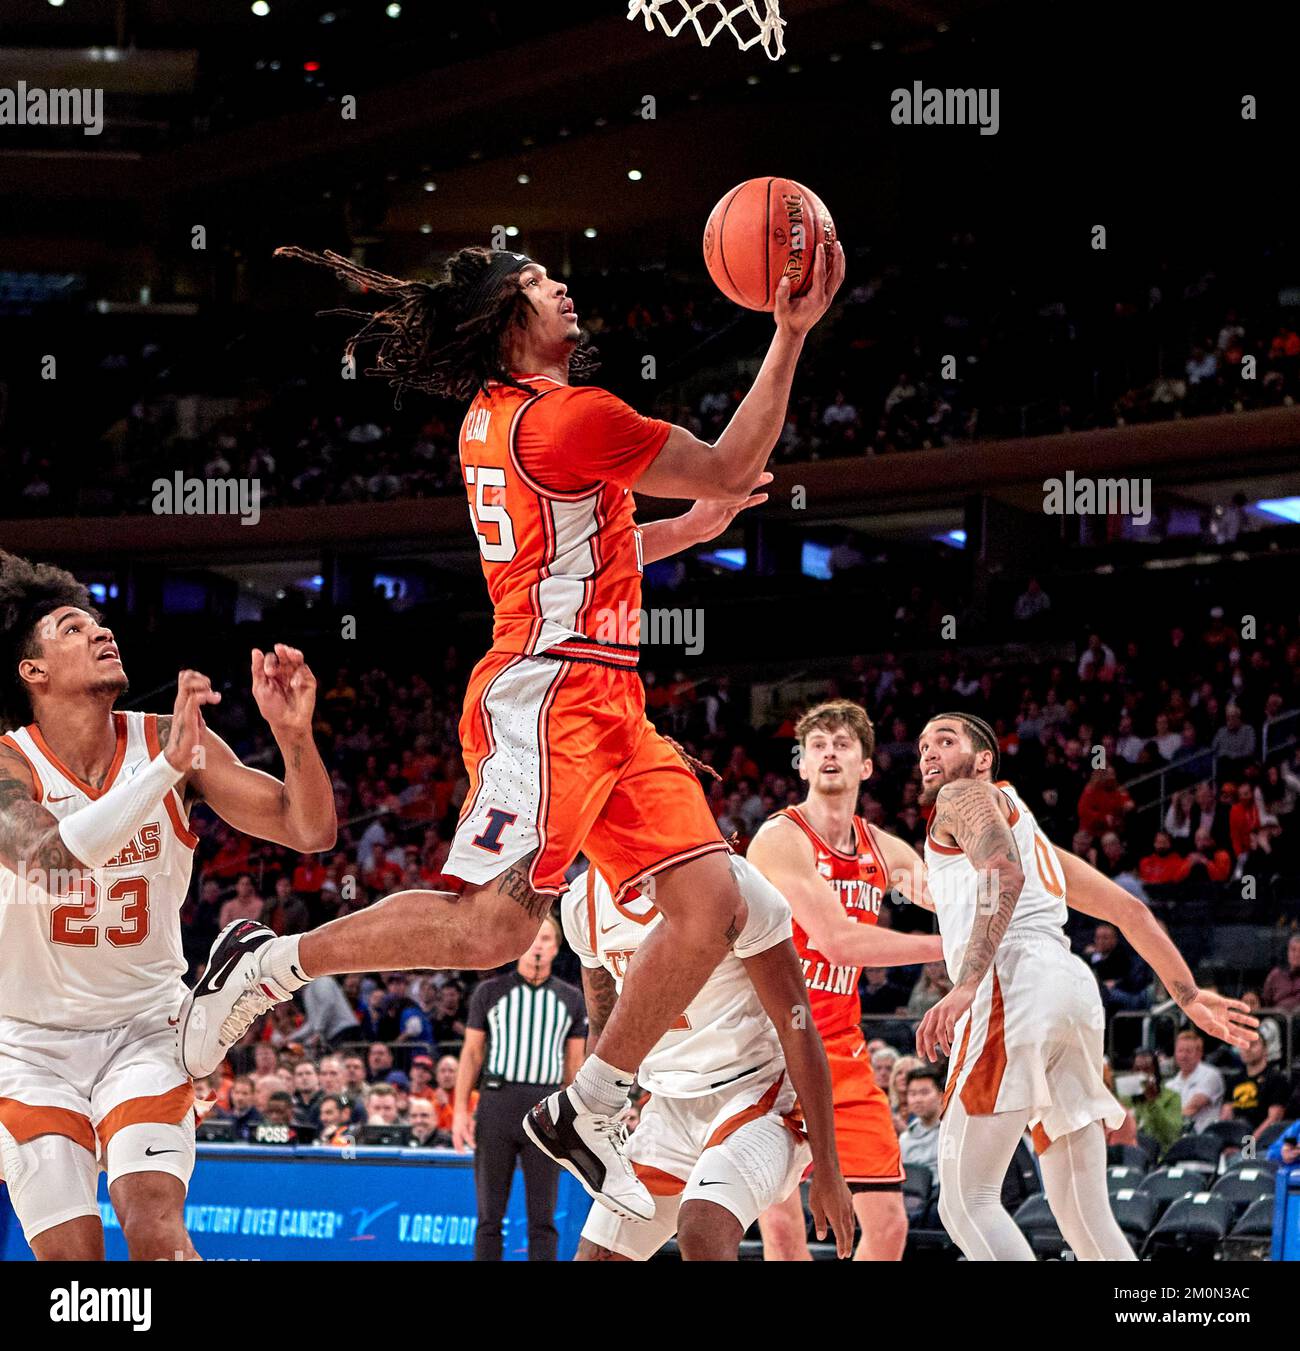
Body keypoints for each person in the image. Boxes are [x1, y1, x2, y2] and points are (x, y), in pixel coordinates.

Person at [185, 232, 845, 1219]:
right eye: (536, 282)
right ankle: (273, 962)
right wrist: (789, 334)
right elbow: (729, 463)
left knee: (707, 904)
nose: (560, 285)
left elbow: (574, 550)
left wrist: (683, 531)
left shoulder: (506, 418)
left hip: (606, 697)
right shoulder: (570, 417)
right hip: (548, 700)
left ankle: (591, 1102)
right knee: (491, 928)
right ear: (504, 321)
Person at [0, 551, 336, 1262]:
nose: (100, 631)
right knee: (71, 1260)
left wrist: (294, 735)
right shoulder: (10, 764)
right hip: (29, 1044)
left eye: (98, 621)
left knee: (155, 1229)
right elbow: (52, 863)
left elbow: (309, 830)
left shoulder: (165, 739)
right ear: (32, 671)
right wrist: (165, 770)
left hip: (145, 1029)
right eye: (71, 627)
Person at [913, 711, 1254, 1261]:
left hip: (1012, 984)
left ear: (982, 761)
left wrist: (964, 985)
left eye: (945, 740)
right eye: (923, 744)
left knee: (964, 1200)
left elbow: (1003, 873)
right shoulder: (1034, 834)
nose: (929, 752)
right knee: (1082, 1211)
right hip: (1072, 991)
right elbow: (1128, 909)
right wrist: (1188, 996)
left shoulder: (961, 796)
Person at [566, 858, 853, 1262]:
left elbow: (797, 1024)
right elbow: (602, 1026)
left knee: (701, 1228)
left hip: (756, 1094)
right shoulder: (582, 901)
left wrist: (828, 1165)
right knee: (597, 1255)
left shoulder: (734, 882)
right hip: (665, 1104)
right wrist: (597, 1118)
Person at [749, 700, 945, 1262]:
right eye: (818, 745)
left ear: (865, 766)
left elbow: (953, 901)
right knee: (785, 1234)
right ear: (803, 765)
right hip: (770, 1048)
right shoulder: (780, 838)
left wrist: (1005, 896)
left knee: (887, 1228)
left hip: (842, 1048)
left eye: (843, 744)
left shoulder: (883, 848)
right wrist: (948, 946)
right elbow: (836, 940)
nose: (830, 751)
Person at [453, 917, 587, 1261]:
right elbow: (471, 1054)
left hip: (544, 1108)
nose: (538, 946)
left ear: (556, 948)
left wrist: (573, 1122)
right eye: (532, 938)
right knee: (489, 1216)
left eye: (545, 939)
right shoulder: (489, 992)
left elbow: (573, 1066)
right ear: (517, 944)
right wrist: (460, 1112)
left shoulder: (571, 999)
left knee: (543, 1217)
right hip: (496, 1103)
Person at [1220, 1031, 1291, 1133]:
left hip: (1262, 1138)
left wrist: (1250, 1142)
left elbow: (1274, 1118)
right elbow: (1226, 1115)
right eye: (1243, 1045)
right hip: (1236, 1135)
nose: (1247, 1049)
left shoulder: (1276, 1079)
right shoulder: (1234, 1080)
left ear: (1265, 1050)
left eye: (1253, 1044)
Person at [1125, 1049, 1184, 1156]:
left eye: (1147, 1070)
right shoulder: (1125, 1097)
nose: (1141, 1074)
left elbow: (1172, 1135)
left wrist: (1153, 1102)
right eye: (1137, 1069)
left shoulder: (1172, 1097)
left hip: (1160, 1157)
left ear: (1155, 1072)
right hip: (1130, 1156)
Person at [1167, 1030, 1225, 1133]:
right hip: (1176, 1135)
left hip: (1204, 1137)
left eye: (1188, 1051)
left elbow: (1191, 1109)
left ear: (1199, 1054)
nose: (1183, 1056)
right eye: (1180, 1051)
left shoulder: (1210, 1075)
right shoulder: (1170, 1084)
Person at [897, 1070, 943, 1171]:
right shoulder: (905, 1138)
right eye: (912, 1094)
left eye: (924, 1092)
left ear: (940, 1096)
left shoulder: (953, 1130)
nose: (918, 1099)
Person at [1261, 935, 1300, 1011]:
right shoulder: (1275, 975)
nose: (1297, 955)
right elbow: (1265, 1002)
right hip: (1277, 1018)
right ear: (1287, 952)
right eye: (1293, 950)